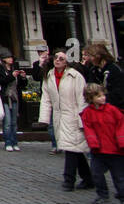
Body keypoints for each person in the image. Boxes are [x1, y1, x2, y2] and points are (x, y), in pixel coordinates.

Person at [39, 49, 93, 191]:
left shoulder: (75, 76)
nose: (58, 60)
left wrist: (82, 120)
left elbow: (82, 99)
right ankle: (88, 178)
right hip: (59, 116)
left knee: (70, 148)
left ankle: (68, 180)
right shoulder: (49, 76)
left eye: (61, 58)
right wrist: (44, 119)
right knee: (75, 148)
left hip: (74, 116)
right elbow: (46, 99)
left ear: (67, 61)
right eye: (56, 57)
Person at [80, 83, 124, 204]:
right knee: (96, 174)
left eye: (103, 95)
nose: (103, 98)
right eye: (99, 96)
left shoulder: (113, 110)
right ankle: (102, 196)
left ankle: (122, 197)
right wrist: (93, 143)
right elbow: (88, 130)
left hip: (116, 151)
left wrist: (122, 142)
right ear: (90, 98)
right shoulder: (87, 113)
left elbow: (121, 126)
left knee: (119, 177)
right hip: (98, 151)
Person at [0, 49, 26, 152]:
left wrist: (23, 78)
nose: (11, 59)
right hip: (4, 97)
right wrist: (12, 76)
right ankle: (8, 142)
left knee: (14, 121)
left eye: (11, 57)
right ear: (3, 59)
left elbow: (21, 85)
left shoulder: (15, 67)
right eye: (8, 57)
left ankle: (14, 142)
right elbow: (0, 81)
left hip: (15, 96)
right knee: (7, 121)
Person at [30, 46, 58, 151]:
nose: (42, 54)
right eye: (39, 52)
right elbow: (37, 77)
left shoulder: (54, 61)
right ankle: (55, 145)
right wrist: (41, 65)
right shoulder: (37, 64)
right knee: (50, 123)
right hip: (47, 95)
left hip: (58, 94)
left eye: (43, 51)